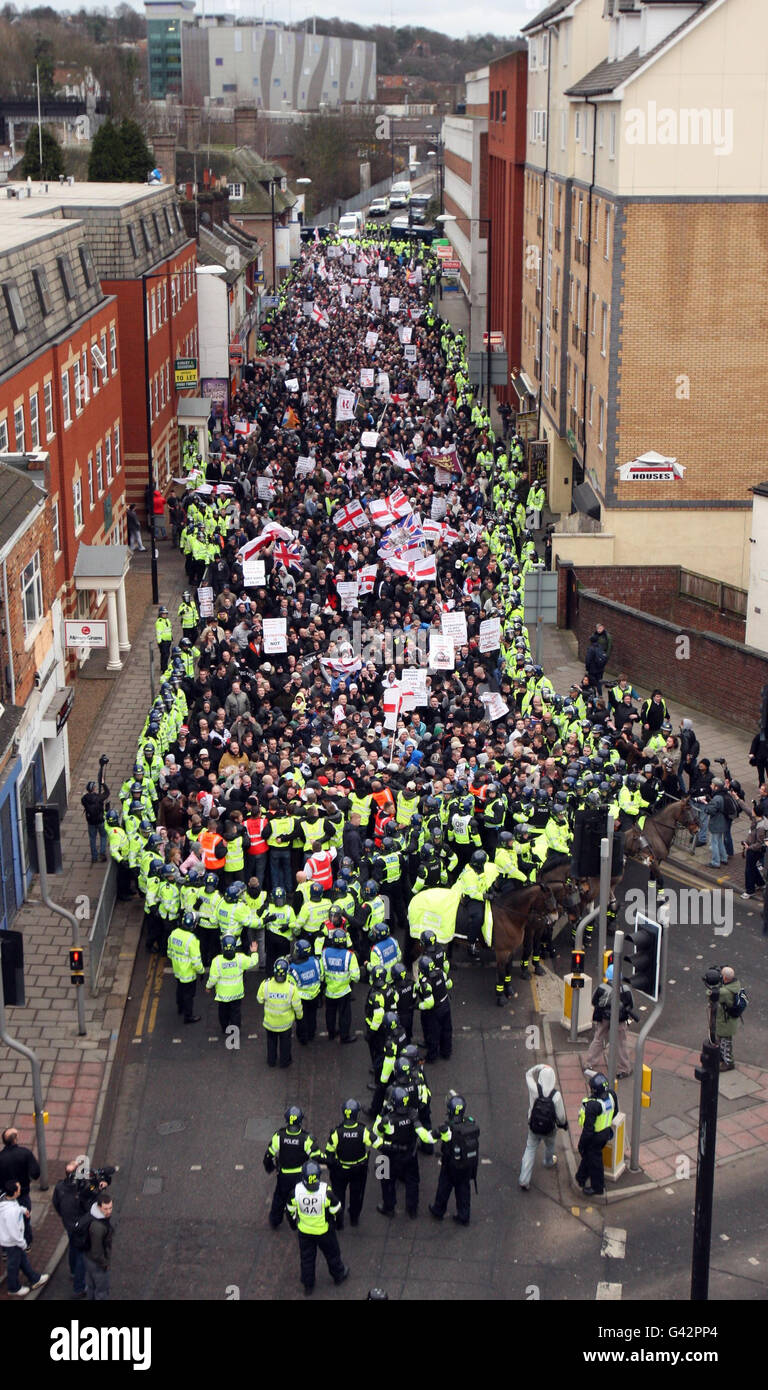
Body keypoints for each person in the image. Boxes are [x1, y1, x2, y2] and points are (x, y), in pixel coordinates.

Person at [286, 1160, 349, 1296]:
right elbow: (337, 1210)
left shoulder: (295, 1192)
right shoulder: (326, 1192)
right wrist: (339, 1225)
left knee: (307, 1259)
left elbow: (290, 1212)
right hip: (324, 1231)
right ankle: (338, 1275)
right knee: (332, 1254)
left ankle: (308, 1285)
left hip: (305, 1232)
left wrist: (293, 1225)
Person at [373, 1086, 436, 1219]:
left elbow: (376, 1133)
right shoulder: (413, 1114)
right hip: (409, 1153)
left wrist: (381, 1114)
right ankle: (412, 1209)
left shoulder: (388, 1119)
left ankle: (389, 1207)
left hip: (390, 1155)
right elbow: (423, 1134)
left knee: (386, 1181)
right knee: (412, 1181)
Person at [323, 1099, 378, 1229]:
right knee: (357, 1195)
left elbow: (328, 1154)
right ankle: (354, 1219)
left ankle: (339, 1222)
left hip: (340, 1170)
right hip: (359, 1170)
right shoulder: (363, 1131)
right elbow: (378, 1143)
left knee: (338, 1195)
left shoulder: (336, 1133)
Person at [263, 1106, 320, 1229]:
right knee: (301, 1197)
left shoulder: (279, 1136)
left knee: (279, 1197)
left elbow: (269, 1154)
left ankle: (275, 1220)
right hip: (301, 1176)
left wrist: (269, 1167)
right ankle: (301, 1220)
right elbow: (316, 1157)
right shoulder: (306, 1138)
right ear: (300, 1121)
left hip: (284, 1175)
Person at [428, 1093, 480, 1225]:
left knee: (444, 1186)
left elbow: (431, 1137)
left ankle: (438, 1210)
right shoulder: (470, 1122)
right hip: (467, 1165)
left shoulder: (447, 1127)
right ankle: (464, 1215)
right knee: (463, 1190)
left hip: (450, 1164)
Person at [518, 1063, 568, 1191]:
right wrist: (562, 1124)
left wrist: (540, 1066)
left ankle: (524, 1179)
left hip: (533, 1125)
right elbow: (561, 1117)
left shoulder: (534, 1088)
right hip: (549, 1128)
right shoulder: (556, 1096)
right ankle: (548, 1161)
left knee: (530, 1148)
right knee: (550, 1145)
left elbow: (528, 1074)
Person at [585, 961, 637, 1078]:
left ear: (607, 976)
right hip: (620, 1020)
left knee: (598, 1039)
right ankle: (623, 1069)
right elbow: (631, 1004)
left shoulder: (602, 988)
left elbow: (594, 1001)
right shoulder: (626, 989)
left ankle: (589, 1064)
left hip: (603, 1018)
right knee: (621, 1043)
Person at [0, 1180, 48, 1297]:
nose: (20, 1189)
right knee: (13, 1265)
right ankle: (13, 1288)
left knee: (21, 1260)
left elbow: (14, 1207)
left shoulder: (5, 1200)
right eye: (19, 1188)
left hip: (9, 1240)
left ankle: (34, 1278)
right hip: (13, 1242)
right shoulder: (11, 1212)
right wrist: (23, 1244)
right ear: (15, 1193)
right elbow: (14, 1232)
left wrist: (22, 1210)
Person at [52, 1161, 92, 1298]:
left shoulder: (59, 1187)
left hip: (68, 1224)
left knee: (73, 1247)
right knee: (82, 1255)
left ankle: (73, 1271)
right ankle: (79, 1286)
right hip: (80, 1227)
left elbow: (56, 1204)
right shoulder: (80, 1191)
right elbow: (88, 1208)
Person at [206, 934, 259, 1035]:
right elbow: (253, 962)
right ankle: (235, 1030)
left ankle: (225, 1028)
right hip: (236, 993)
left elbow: (213, 978)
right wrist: (254, 952)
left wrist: (208, 987)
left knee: (223, 1013)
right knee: (235, 1012)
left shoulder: (216, 961)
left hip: (222, 995)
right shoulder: (240, 958)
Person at [575, 1073, 617, 1198]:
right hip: (605, 1132)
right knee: (589, 1156)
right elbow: (615, 1111)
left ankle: (597, 1187)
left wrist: (581, 1145)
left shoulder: (593, 1105)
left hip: (594, 1136)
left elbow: (588, 1130)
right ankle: (581, 1177)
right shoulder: (611, 1095)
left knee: (595, 1161)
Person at [257, 956, 303, 1068]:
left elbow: (259, 1000)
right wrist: (299, 1016)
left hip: (270, 1022)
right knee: (285, 1044)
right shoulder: (292, 987)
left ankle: (271, 1061)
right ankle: (284, 1062)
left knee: (271, 1042)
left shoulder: (265, 984)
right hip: (285, 1024)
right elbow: (297, 1006)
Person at [0, 1127, 40, 1243]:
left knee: (5, 1220)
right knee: (25, 1218)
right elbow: (36, 1173)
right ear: (15, 1140)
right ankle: (26, 1241)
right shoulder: (25, 1153)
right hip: (22, 1192)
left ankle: (6, 1248)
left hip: (5, 1194)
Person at [166, 910, 205, 1023]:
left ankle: (180, 1008)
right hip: (188, 974)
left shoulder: (174, 933)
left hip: (177, 970)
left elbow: (169, 952)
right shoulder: (192, 940)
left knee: (179, 989)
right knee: (189, 995)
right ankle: (188, 1016)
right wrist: (201, 971)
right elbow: (196, 961)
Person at [81, 1189, 114, 1301]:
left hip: (87, 1257)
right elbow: (97, 1252)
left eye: (110, 1208)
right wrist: (105, 1264)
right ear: (99, 1207)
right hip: (96, 1264)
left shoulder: (92, 1214)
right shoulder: (98, 1227)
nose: (109, 1211)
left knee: (91, 1286)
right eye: (106, 1209)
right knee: (102, 1291)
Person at [716, 965, 744, 1071]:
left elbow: (710, 995)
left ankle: (728, 1063)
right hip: (730, 1020)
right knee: (725, 1040)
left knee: (725, 1042)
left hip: (725, 1021)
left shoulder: (725, 992)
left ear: (725, 978)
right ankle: (724, 1059)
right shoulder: (735, 985)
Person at [81, 779, 109, 863]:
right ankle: (102, 853)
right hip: (100, 821)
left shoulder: (84, 799)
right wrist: (103, 784)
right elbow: (107, 793)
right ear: (94, 788)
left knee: (92, 839)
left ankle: (94, 857)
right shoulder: (99, 797)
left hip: (91, 822)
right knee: (103, 836)